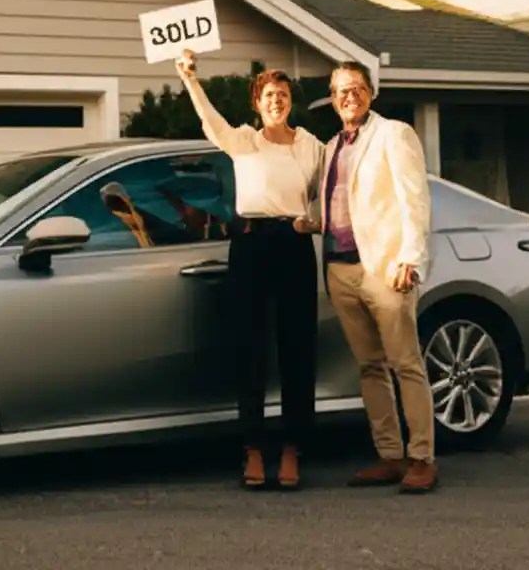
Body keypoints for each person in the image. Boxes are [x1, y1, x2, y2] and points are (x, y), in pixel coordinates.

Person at [174, 49, 323, 490]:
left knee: (297, 351)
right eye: (267, 95)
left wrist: (314, 221)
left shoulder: (310, 145)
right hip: (252, 245)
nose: (275, 101)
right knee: (251, 350)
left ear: (289, 100)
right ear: (256, 104)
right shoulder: (244, 141)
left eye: (281, 94)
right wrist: (190, 79)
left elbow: (328, 195)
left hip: (294, 246)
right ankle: (254, 451)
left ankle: (293, 450)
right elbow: (210, 122)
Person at [318, 60, 438, 494]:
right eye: (340, 91)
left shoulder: (394, 134)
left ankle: (422, 457)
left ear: (371, 92)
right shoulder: (332, 146)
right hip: (340, 269)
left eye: (356, 88)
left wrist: (411, 257)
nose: (348, 96)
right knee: (369, 367)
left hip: (385, 268)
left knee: (406, 363)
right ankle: (390, 455)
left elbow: (414, 200)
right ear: (332, 99)